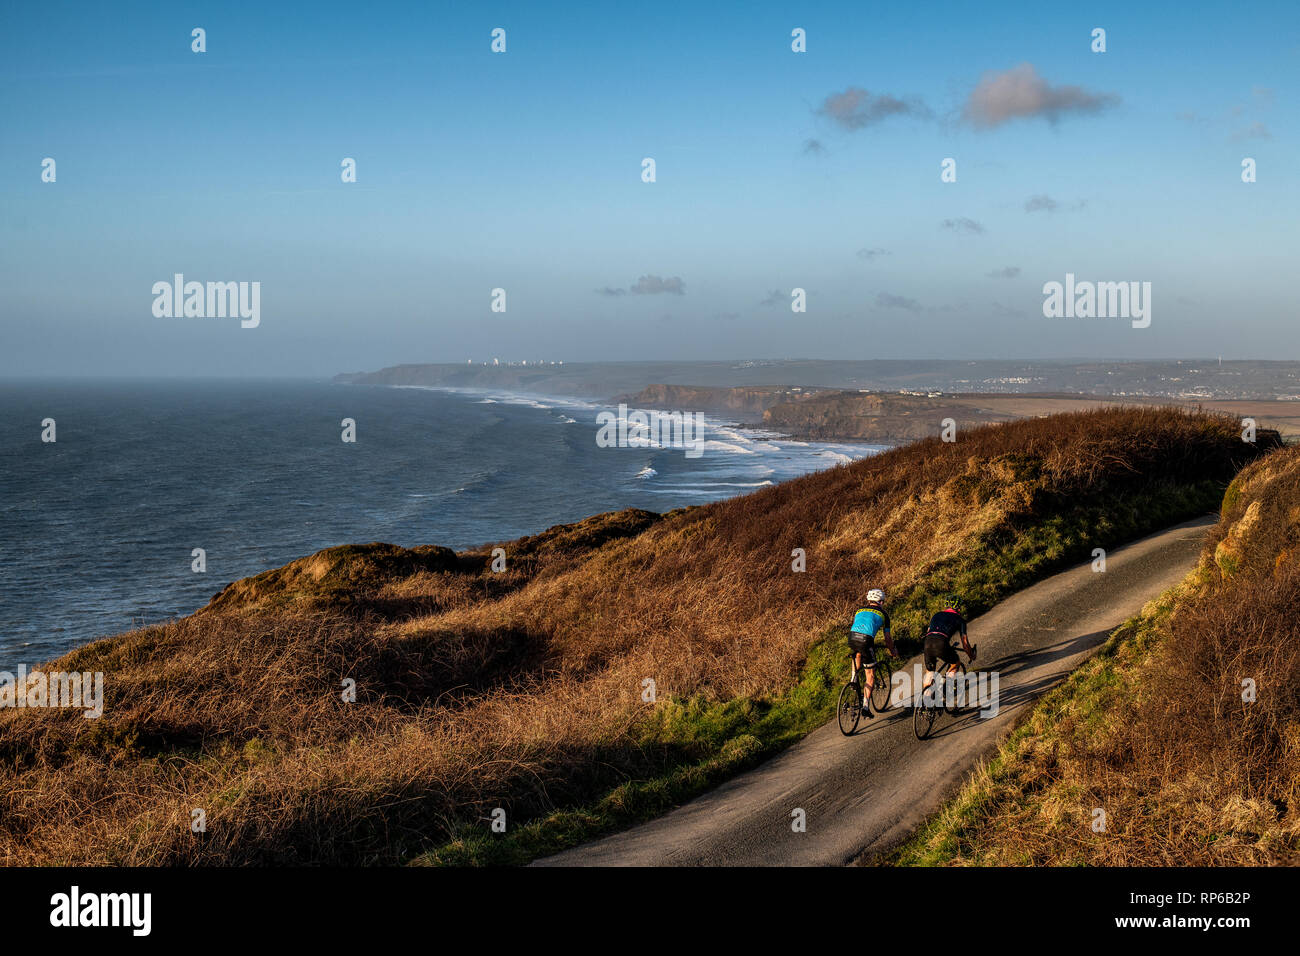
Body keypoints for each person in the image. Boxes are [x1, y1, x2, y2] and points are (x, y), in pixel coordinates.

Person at [848, 589, 897, 718]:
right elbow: (887, 638)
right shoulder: (884, 614)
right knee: (870, 675)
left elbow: (859, 625)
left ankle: (853, 678)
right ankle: (865, 706)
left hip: (852, 637)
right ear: (880, 601)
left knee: (858, 653)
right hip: (866, 640)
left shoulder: (859, 610)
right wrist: (892, 650)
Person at [920, 595, 975, 702]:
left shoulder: (936, 615)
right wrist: (971, 655)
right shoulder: (960, 620)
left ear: (946, 605)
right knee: (955, 663)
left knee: (930, 671)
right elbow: (965, 644)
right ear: (959, 608)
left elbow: (929, 631)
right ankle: (945, 686)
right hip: (941, 643)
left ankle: (926, 702)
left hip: (927, 642)